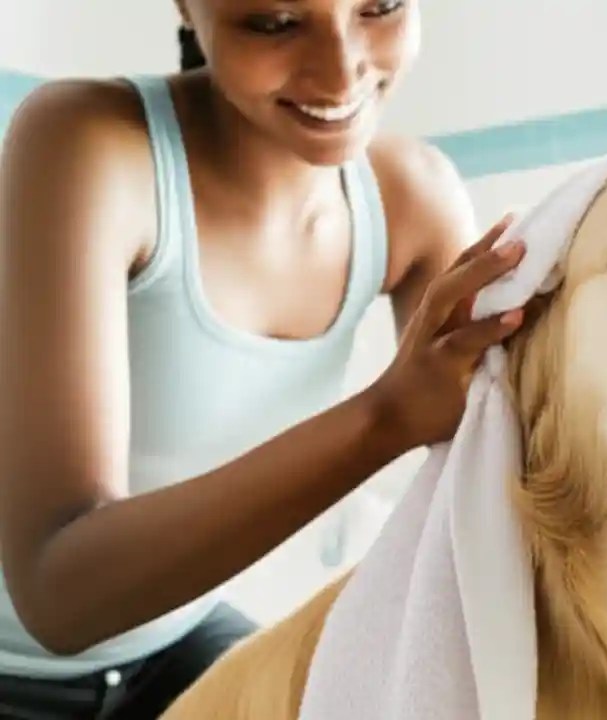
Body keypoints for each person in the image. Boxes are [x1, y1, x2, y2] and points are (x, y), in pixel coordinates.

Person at [0, 0, 534, 716]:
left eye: (379, 6)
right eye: (278, 22)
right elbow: (58, 599)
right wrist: (385, 418)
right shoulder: (86, 143)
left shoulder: (412, 200)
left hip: (176, 647)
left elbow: (516, 484)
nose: (342, 70)